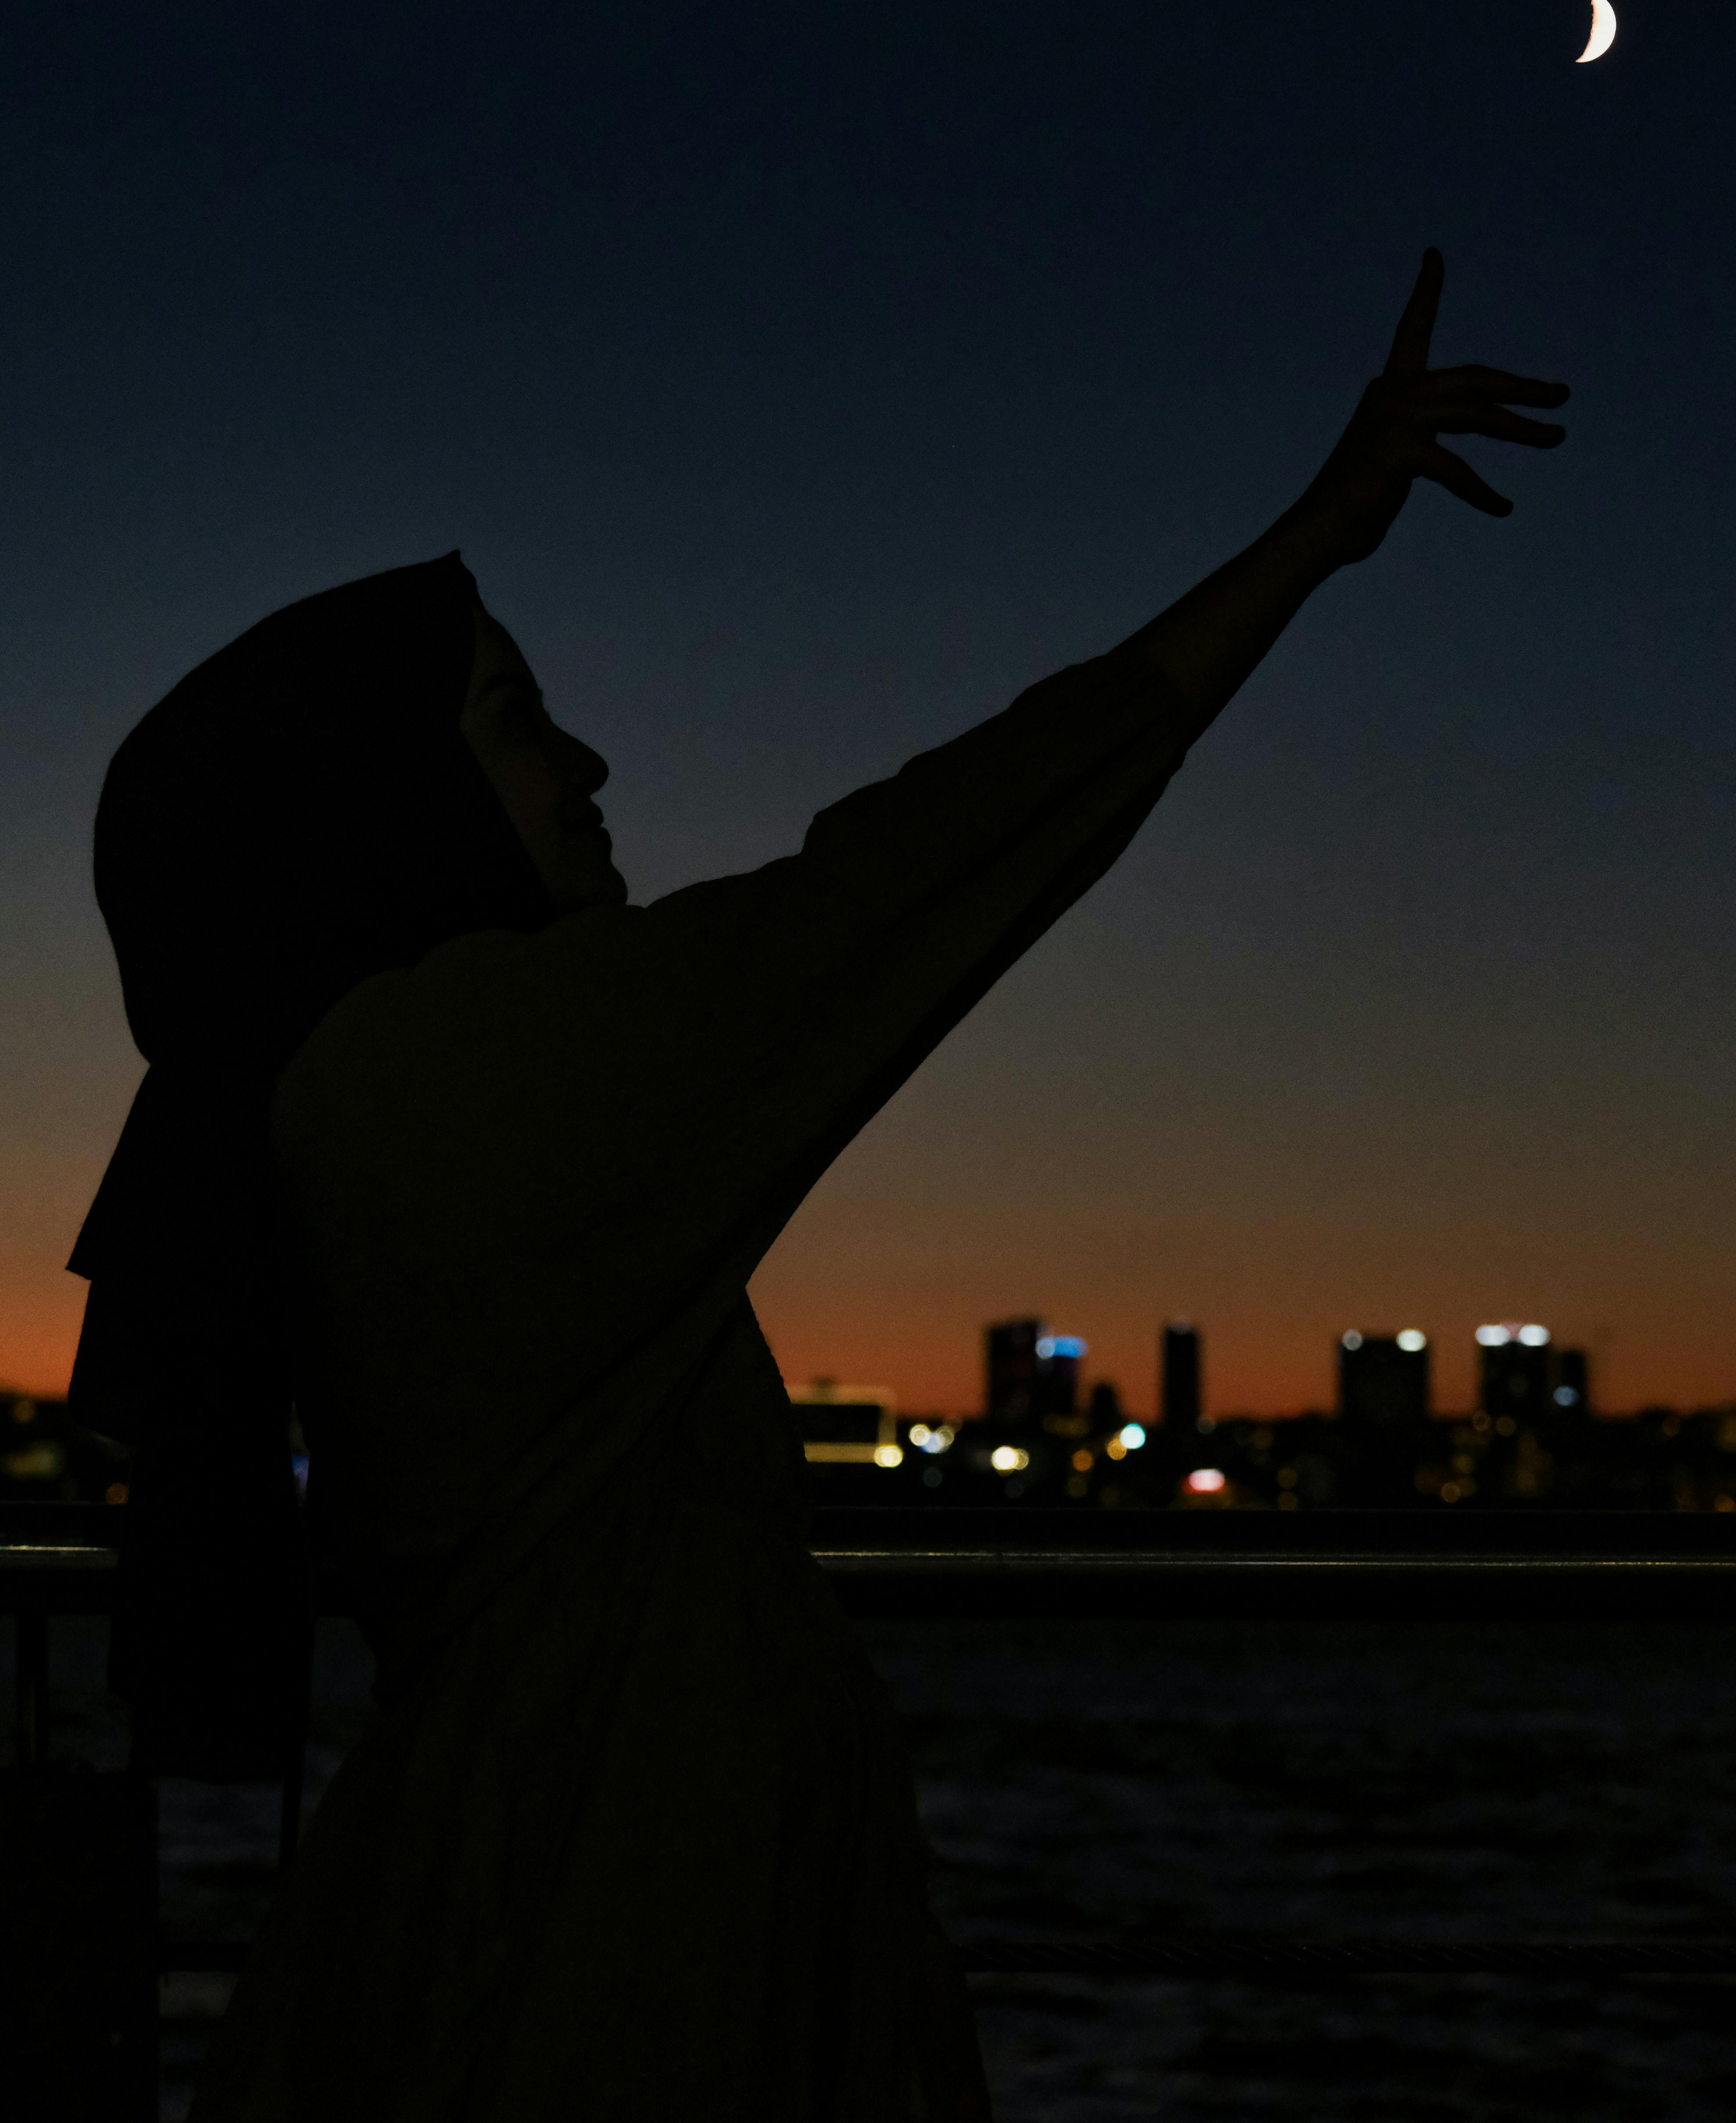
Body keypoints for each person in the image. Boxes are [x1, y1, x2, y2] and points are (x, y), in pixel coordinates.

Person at [69, 250, 1563, 2120]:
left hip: (550, 1883)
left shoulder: (366, 1088)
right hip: (612, 1937)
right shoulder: (464, 1066)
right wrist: (1310, 537)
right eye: (513, 714)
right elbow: (932, 860)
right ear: (385, 805)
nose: (585, 756)